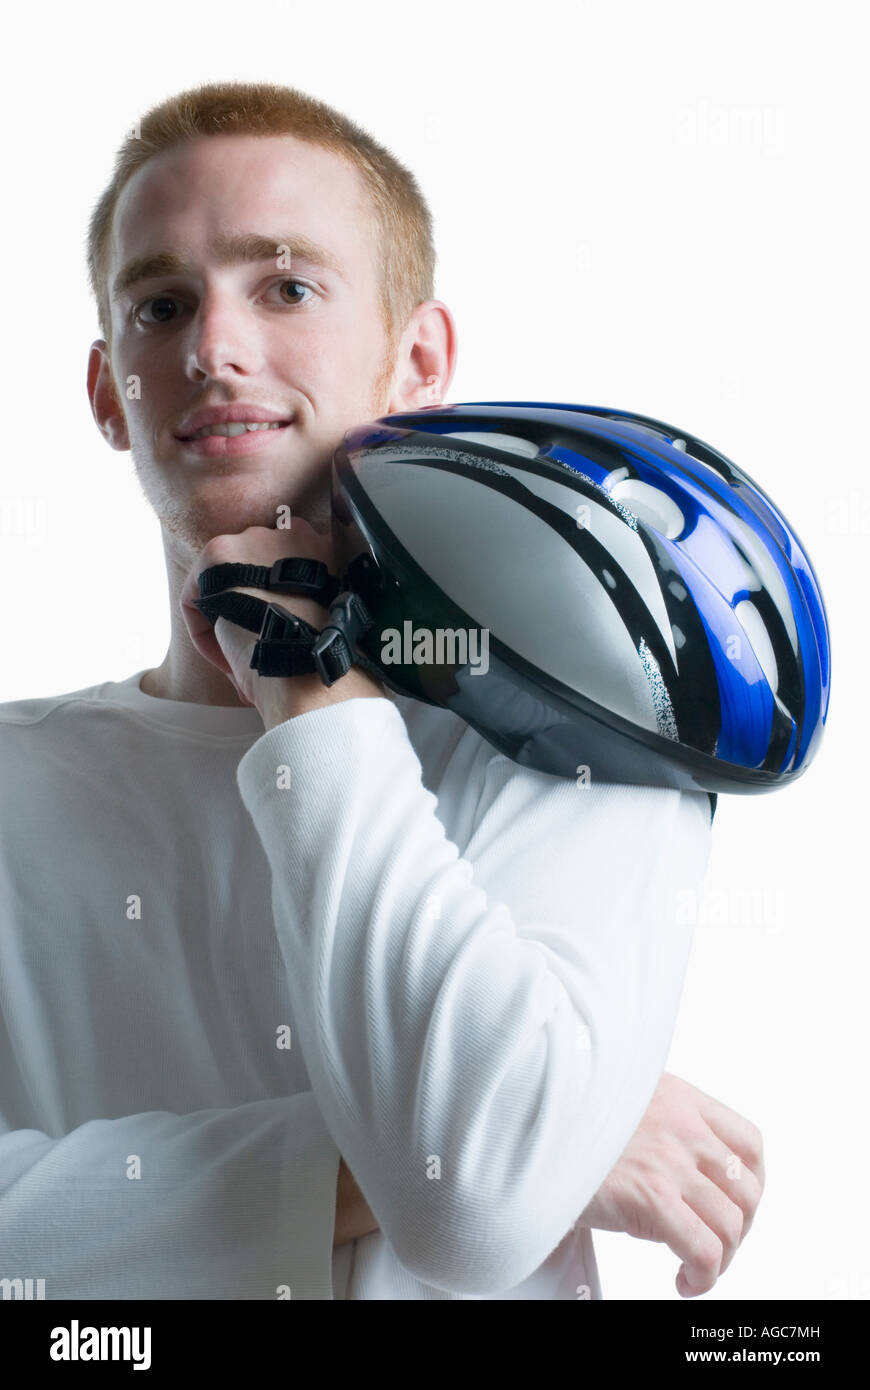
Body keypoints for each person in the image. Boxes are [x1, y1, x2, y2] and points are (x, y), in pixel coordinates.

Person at [0, 80, 763, 1301]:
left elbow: (469, 1200)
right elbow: (489, 1167)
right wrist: (549, 1131)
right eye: (160, 304)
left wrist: (311, 697)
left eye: (287, 287)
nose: (214, 348)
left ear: (418, 361)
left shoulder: (587, 726)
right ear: (108, 393)